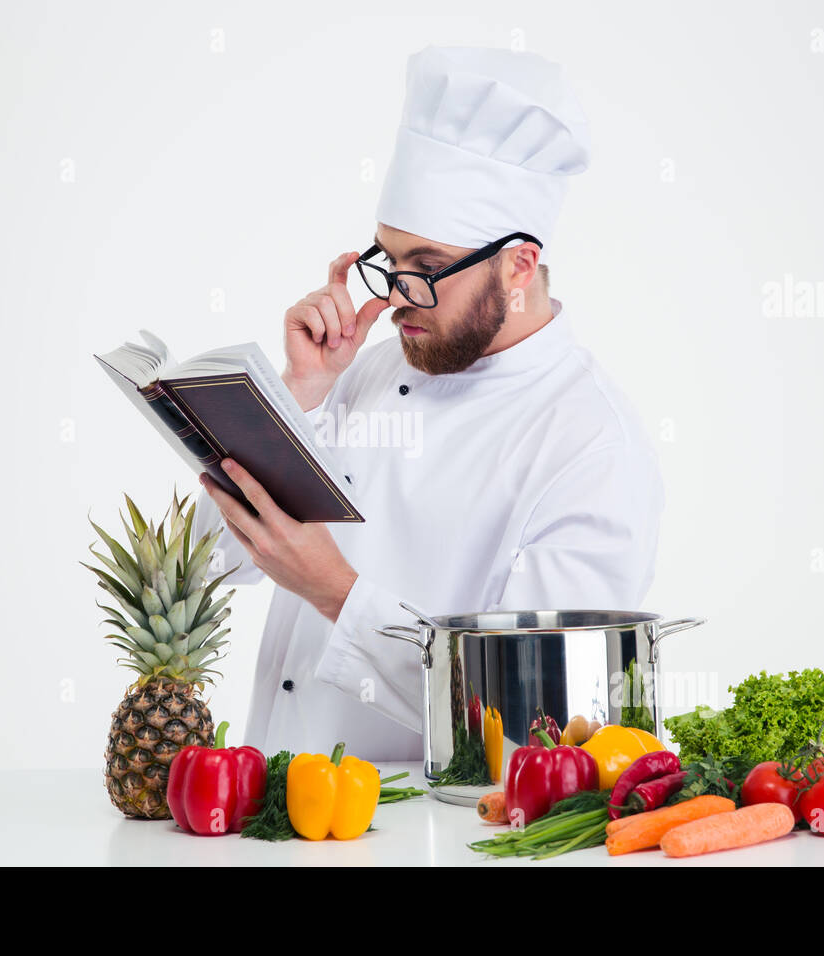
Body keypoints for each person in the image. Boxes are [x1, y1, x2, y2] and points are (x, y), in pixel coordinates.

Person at [194, 46, 664, 761]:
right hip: (267, 808)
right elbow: (204, 570)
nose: (393, 298)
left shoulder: (591, 446)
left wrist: (336, 593)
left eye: (428, 269)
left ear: (519, 264)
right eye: (388, 259)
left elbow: (538, 723)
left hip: (423, 835)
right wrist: (298, 399)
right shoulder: (360, 372)